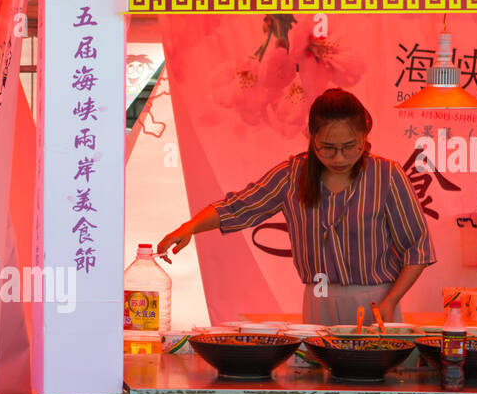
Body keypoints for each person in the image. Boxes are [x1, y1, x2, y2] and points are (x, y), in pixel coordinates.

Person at [158, 88, 436, 324]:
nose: (339, 157)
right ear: (312, 138)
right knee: (320, 380)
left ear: (364, 137)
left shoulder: (386, 175)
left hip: (377, 300)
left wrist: (391, 300)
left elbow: (418, 245)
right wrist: (189, 227)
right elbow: (238, 207)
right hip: (318, 298)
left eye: (350, 146)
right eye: (327, 147)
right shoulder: (292, 175)